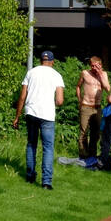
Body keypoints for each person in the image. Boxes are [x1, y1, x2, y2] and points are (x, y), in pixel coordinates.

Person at [13, 50, 65, 189]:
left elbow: (22, 96)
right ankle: (46, 182)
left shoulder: (31, 72)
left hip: (31, 112)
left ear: (41, 60)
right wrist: (50, 104)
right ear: (52, 62)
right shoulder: (56, 75)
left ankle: (30, 176)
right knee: (48, 147)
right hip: (47, 115)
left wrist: (17, 116)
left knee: (31, 144)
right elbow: (60, 100)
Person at [76, 55, 110, 160]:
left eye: (95, 66)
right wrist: (80, 100)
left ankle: (92, 155)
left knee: (96, 132)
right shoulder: (85, 73)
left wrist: (100, 74)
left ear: (100, 65)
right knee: (83, 131)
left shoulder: (104, 74)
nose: (93, 68)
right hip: (86, 105)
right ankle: (83, 155)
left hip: (97, 107)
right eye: (92, 66)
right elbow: (78, 86)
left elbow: (108, 88)